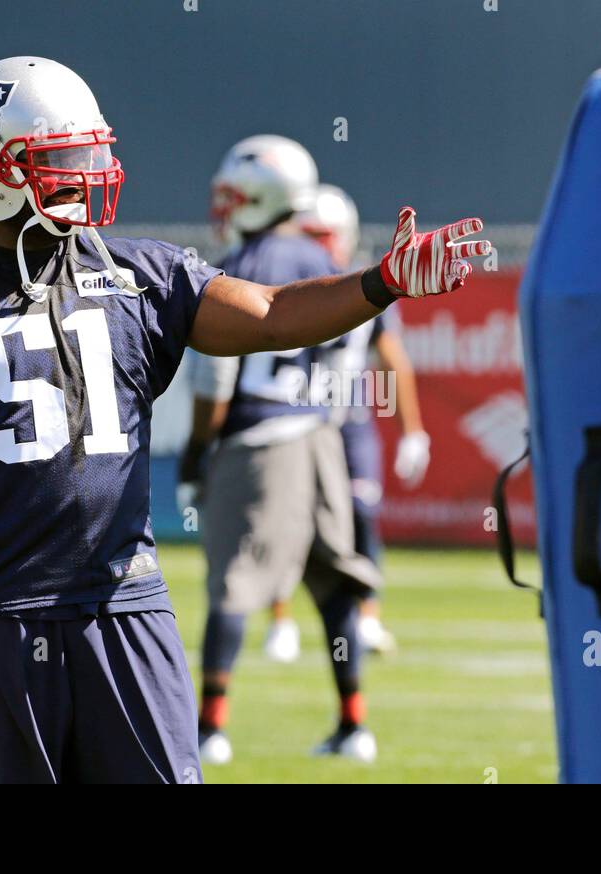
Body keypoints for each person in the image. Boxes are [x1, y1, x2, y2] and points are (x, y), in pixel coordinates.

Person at [0, 57, 491, 783]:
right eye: (58, 159)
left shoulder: (143, 275)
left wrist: (383, 281)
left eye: (88, 150)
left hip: (124, 602)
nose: (88, 170)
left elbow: (273, 315)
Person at [179, 137, 380, 765]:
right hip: (322, 435)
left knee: (234, 585)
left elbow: (216, 380)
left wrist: (195, 454)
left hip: (261, 443)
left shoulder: (246, 261)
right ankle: (354, 726)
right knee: (334, 584)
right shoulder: (326, 258)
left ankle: (210, 728)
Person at [266, 184, 431, 657]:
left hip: (348, 419)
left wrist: (413, 432)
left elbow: (392, 359)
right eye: (310, 233)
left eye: (325, 234)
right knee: (284, 522)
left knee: (360, 515)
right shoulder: (284, 283)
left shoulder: (364, 285)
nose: (318, 244)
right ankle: (282, 619)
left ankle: (367, 616)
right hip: (294, 416)